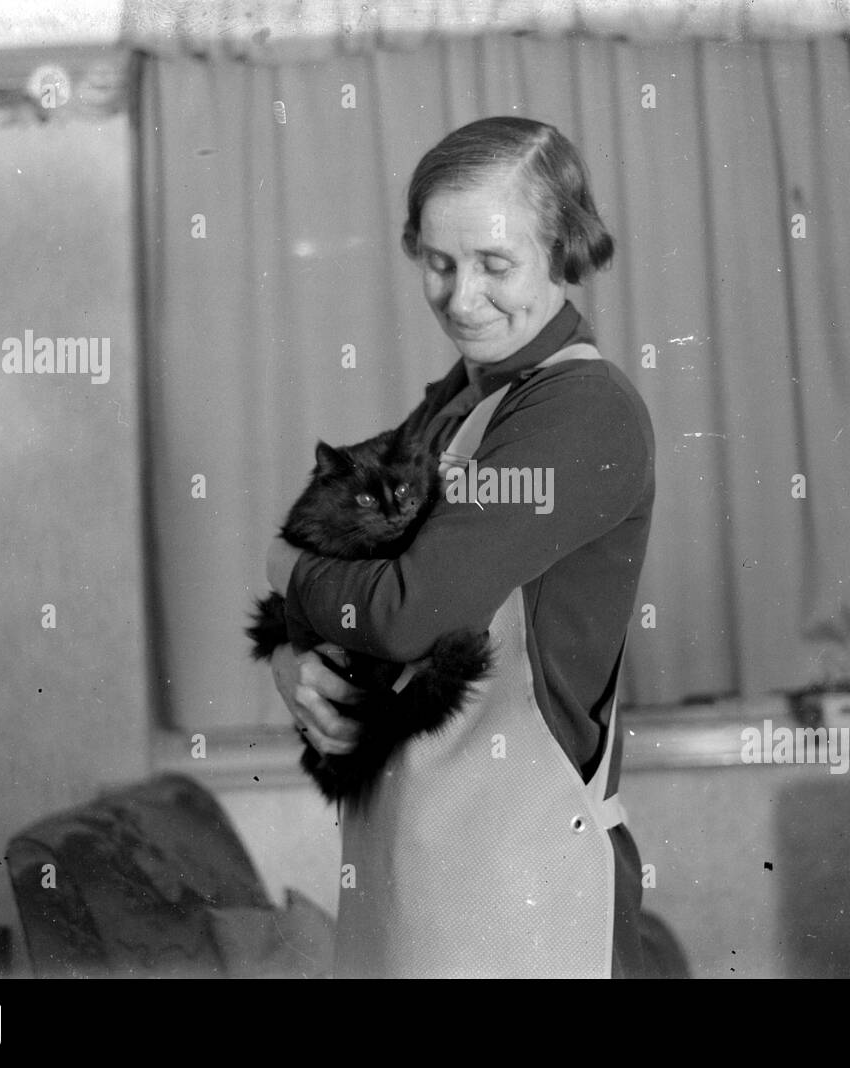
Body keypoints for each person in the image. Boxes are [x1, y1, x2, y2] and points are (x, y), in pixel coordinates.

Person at [266, 116, 655, 978]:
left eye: (494, 264)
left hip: (522, 885)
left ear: (564, 249)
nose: (460, 297)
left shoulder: (580, 412)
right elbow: (333, 534)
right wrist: (296, 653)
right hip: (412, 866)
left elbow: (402, 615)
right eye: (437, 262)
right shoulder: (460, 398)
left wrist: (284, 573)